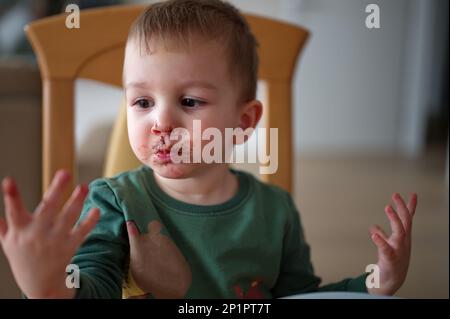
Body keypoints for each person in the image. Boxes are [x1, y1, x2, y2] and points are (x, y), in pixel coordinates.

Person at [0, 0, 417, 299]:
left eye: (190, 102)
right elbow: (97, 288)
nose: (160, 123)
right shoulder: (114, 202)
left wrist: (374, 281)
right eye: (142, 103)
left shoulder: (276, 210)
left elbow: (299, 294)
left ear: (244, 122)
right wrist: (50, 286)